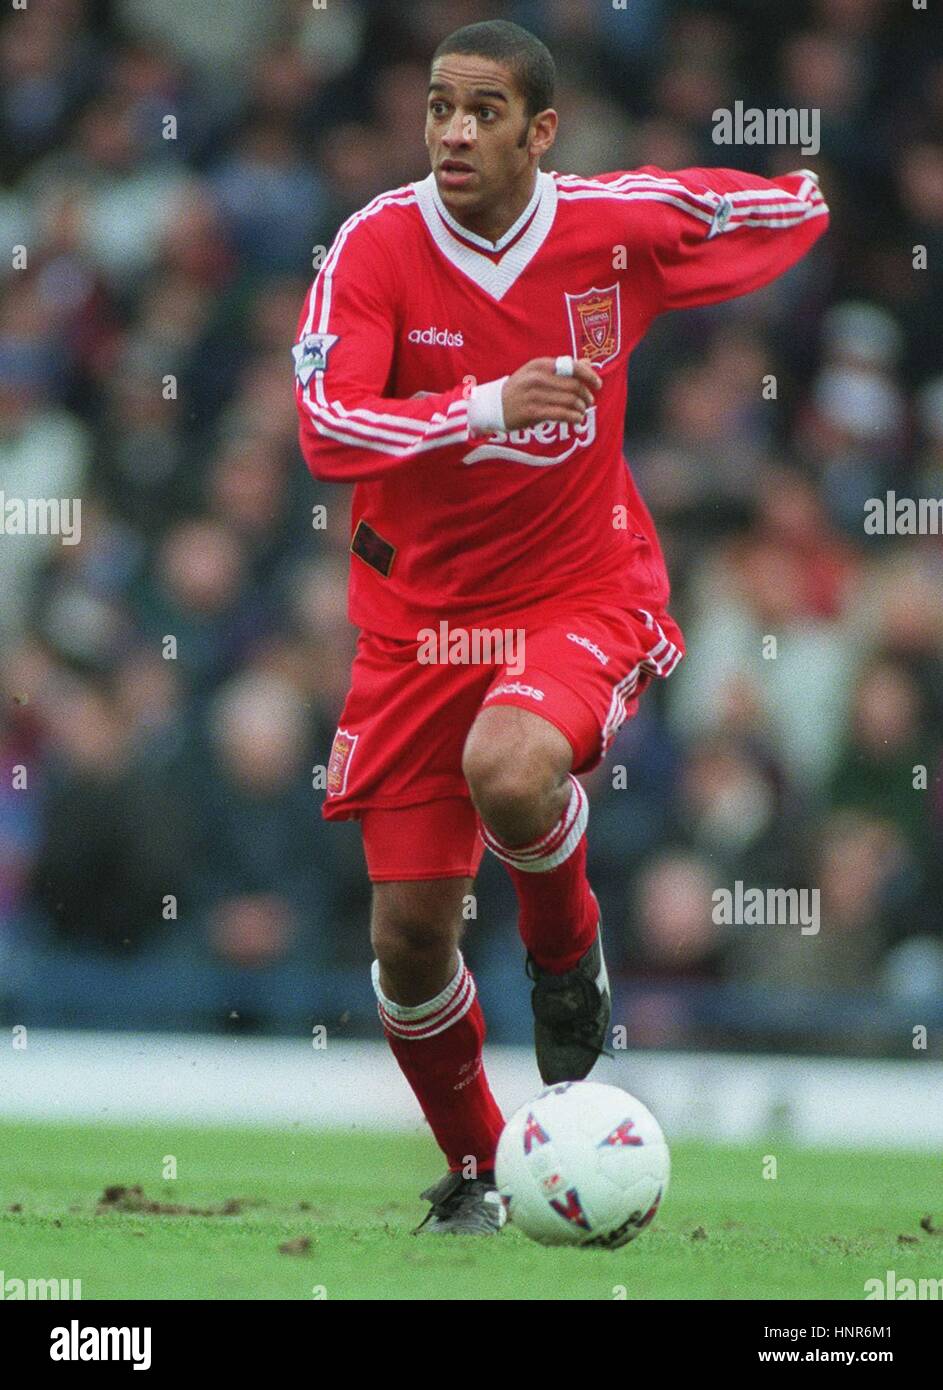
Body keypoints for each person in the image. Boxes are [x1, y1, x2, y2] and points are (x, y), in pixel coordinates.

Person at [293, 19, 828, 1235]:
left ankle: (564, 946)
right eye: (437, 107)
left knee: (512, 765)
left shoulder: (610, 226)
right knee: (411, 940)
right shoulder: (376, 244)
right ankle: (483, 1168)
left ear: (541, 131)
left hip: (579, 588)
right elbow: (327, 424)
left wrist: (809, 182)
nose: (451, 133)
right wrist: (484, 406)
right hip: (415, 627)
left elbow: (784, 213)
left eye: (482, 111)